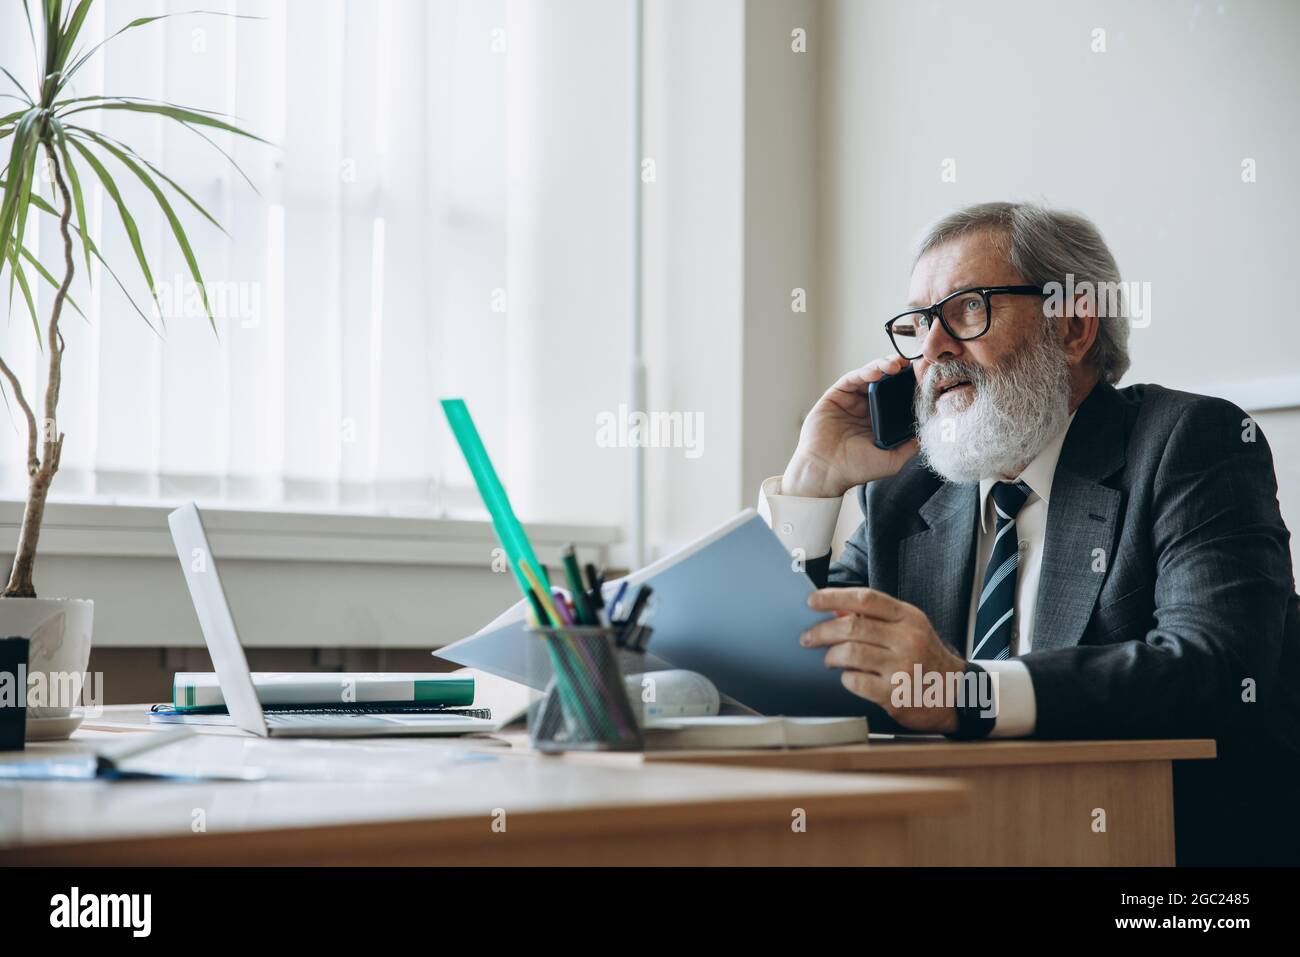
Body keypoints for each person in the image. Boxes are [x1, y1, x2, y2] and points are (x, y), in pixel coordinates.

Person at [758, 201, 1300, 865]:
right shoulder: (907, 491)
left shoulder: (1189, 442)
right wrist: (812, 481)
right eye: (919, 323)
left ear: (1071, 325)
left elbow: (1214, 668)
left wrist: (970, 692)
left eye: (967, 310)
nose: (932, 348)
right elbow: (794, 674)